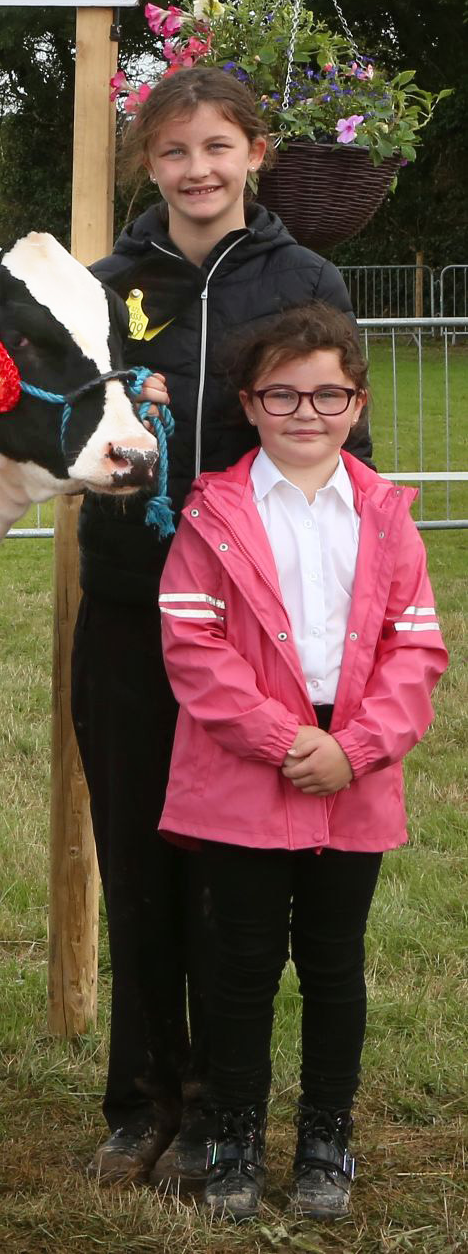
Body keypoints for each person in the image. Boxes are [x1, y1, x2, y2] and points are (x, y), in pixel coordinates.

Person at [72, 64, 370, 1191]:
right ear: (145, 165)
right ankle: (139, 1097)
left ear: (255, 152)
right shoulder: (105, 287)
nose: (194, 170)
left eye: (214, 147)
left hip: (261, 627)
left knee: (228, 869)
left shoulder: (304, 277)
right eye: (170, 152)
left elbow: (344, 439)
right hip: (128, 605)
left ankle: (219, 1110)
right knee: (135, 853)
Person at [157, 303, 446, 1221]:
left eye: (327, 393)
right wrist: (286, 743)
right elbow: (193, 651)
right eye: (282, 392)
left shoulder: (386, 515)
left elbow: (416, 650)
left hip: (351, 769)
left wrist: (352, 749)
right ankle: (233, 1136)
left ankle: (326, 1137)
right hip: (248, 768)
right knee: (237, 968)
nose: (305, 410)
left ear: (356, 402)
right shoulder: (211, 515)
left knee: (332, 965)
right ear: (248, 403)